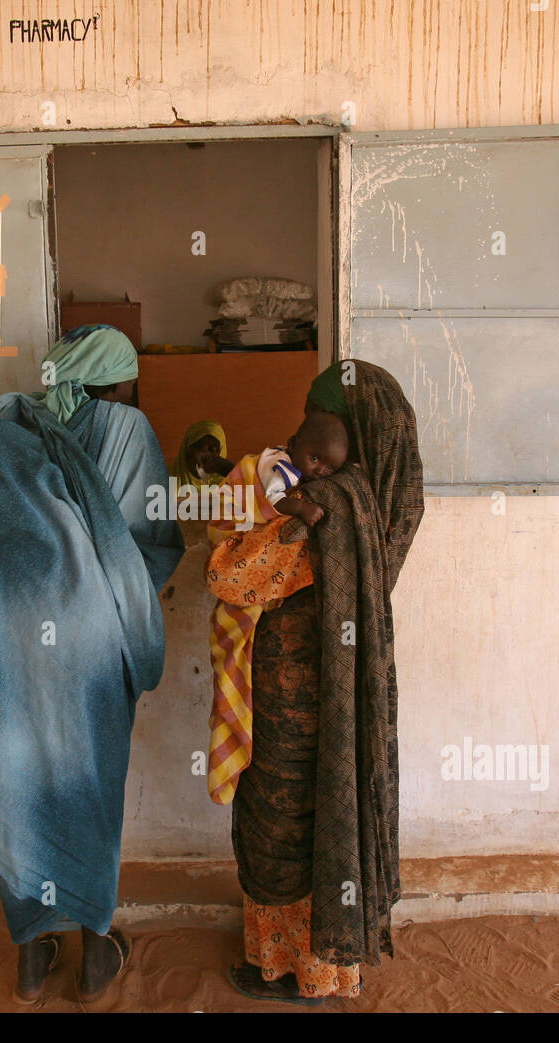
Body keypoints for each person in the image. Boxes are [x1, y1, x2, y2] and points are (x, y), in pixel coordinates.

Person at [0, 324, 184, 1005]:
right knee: (85, 786)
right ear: (119, 381)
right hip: (84, 641)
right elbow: (148, 539)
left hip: (5, 640)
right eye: (131, 378)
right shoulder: (127, 429)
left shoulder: (1, 427)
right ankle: (95, 956)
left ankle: (28, 958)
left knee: (13, 781)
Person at [221, 359, 424, 1003]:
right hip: (349, 690)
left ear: (352, 428)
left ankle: (288, 969)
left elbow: (234, 577)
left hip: (294, 695)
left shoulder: (327, 505)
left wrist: (253, 525)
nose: (302, 441)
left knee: (282, 825)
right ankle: (334, 963)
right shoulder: (389, 497)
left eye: (318, 424)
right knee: (335, 814)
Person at [203, 410, 350, 805]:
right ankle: (259, 590)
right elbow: (271, 499)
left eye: (329, 467)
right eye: (315, 458)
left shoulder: (290, 462)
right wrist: (301, 510)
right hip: (230, 542)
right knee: (287, 541)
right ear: (294, 442)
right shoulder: (281, 470)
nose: (318, 470)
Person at [168, 419, 234, 494]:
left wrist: (229, 469)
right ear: (186, 449)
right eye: (199, 446)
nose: (204, 455)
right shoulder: (163, 479)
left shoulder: (226, 485)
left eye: (212, 449)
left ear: (221, 453)